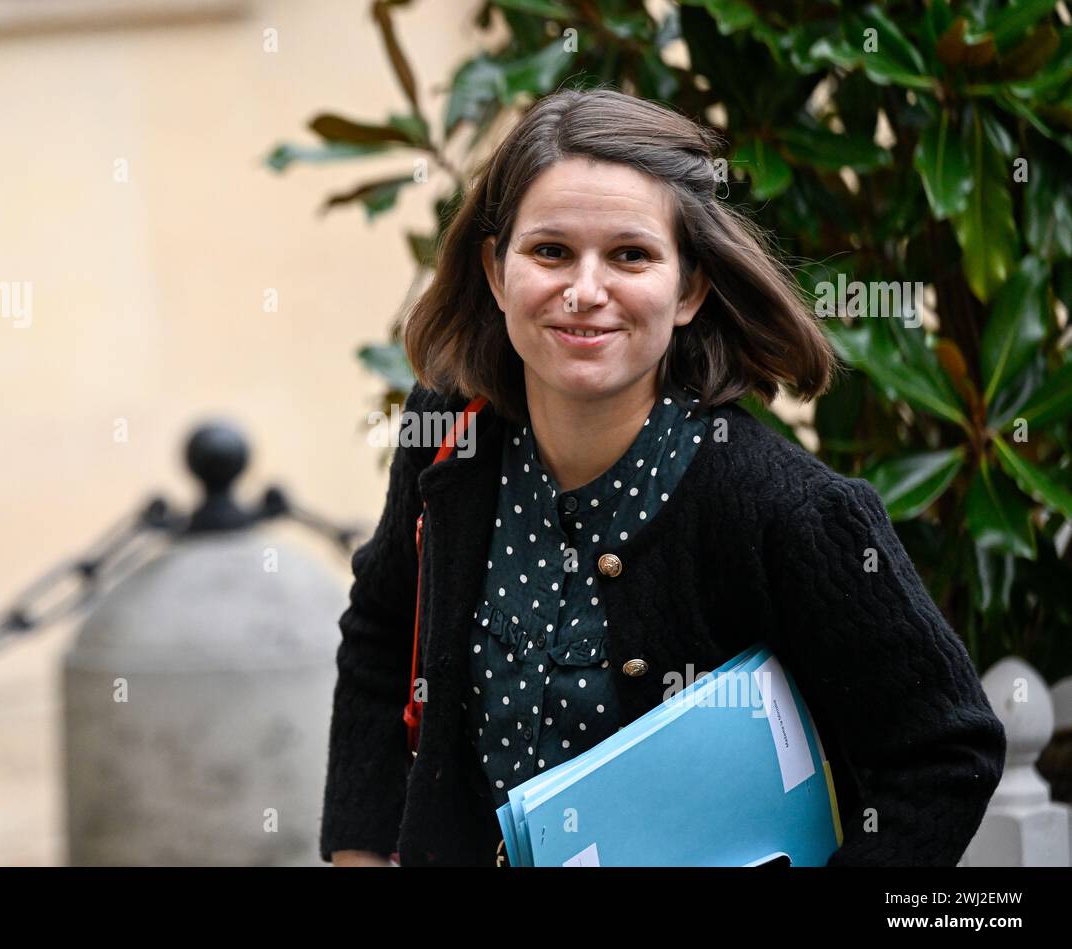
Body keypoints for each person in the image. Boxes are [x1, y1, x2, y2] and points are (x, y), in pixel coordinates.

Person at [321, 86, 1006, 867]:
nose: (585, 291)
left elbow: (947, 754)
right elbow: (380, 634)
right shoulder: (450, 430)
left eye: (630, 255)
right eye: (550, 251)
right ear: (495, 270)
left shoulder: (786, 511)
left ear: (689, 289)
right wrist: (361, 855)